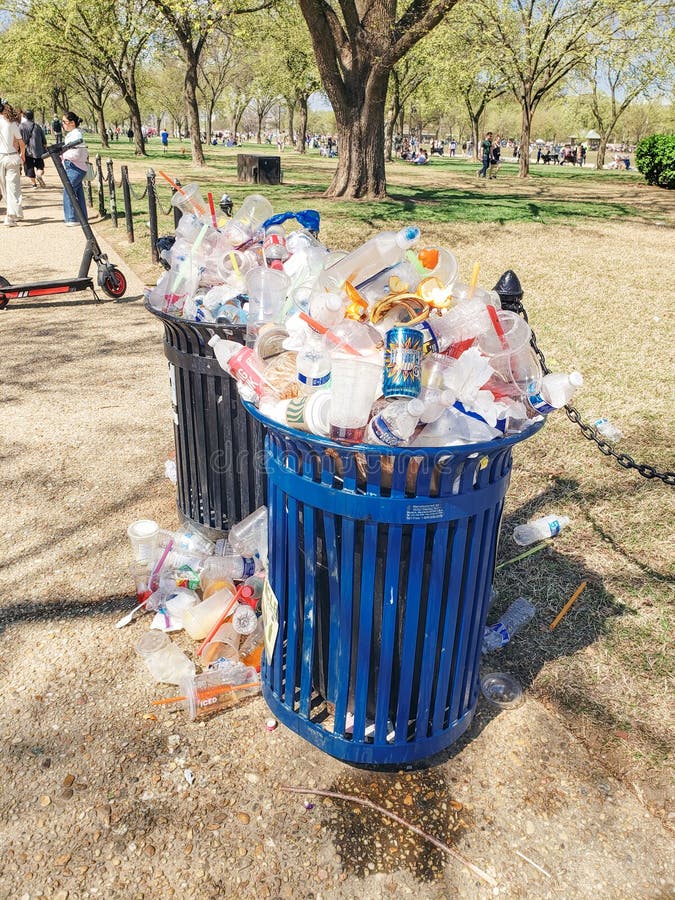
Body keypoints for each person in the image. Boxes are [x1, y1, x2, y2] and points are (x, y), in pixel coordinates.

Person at [60, 111, 88, 226]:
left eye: (64, 122)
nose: (63, 124)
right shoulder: (73, 134)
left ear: (72, 123)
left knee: (69, 191)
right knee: (77, 191)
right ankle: (82, 217)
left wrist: (63, 155)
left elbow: (76, 154)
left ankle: (72, 218)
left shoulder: (76, 135)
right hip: (75, 166)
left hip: (75, 167)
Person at [0, 101, 25, 226]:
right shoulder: (11, 123)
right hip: (11, 156)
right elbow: (21, 142)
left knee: (4, 188)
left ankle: (14, 213)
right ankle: (11, 215)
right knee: (13, 187)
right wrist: (23, 155)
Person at [20, 110, 47, 189]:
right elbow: (43, 139)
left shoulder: (21, 126)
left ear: (25, 116)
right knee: (40, 167)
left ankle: (34, 184)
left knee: (29, 168)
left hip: (27, 151)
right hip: (38, 151)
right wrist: (44, 146)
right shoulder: (37, 126)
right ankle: (39, 175)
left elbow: (18, 139)